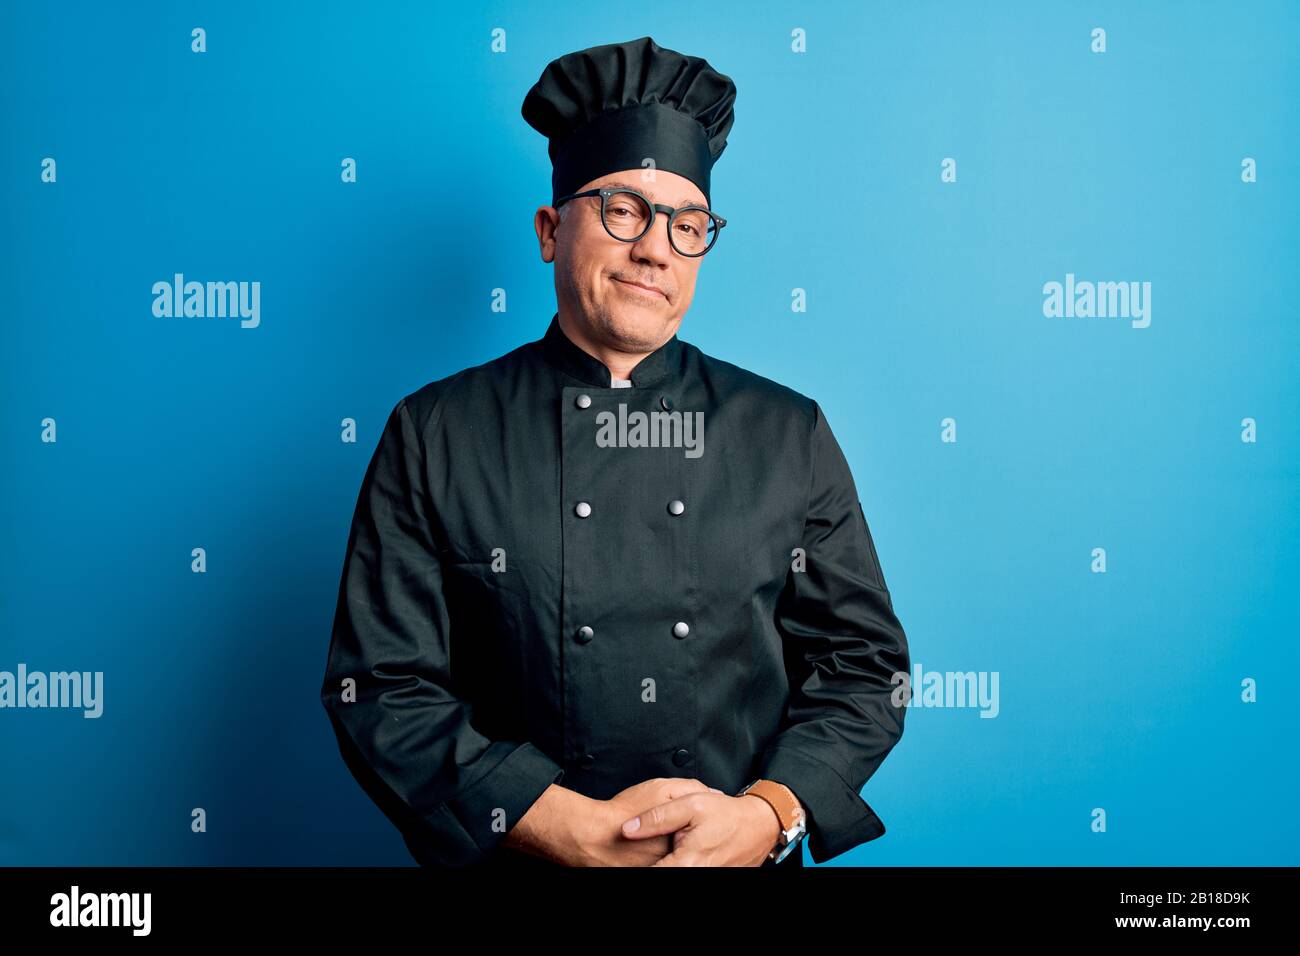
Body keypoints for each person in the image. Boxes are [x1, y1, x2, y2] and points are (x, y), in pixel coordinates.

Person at [320, 35, 910, 868]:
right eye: (624, 209)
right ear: (550, 230)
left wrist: (770, 815)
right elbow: (381, 688)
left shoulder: (786, 432)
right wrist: (552, 822)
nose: (656, 248)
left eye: (688, 223)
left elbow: (865, 668)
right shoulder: (435, 432)